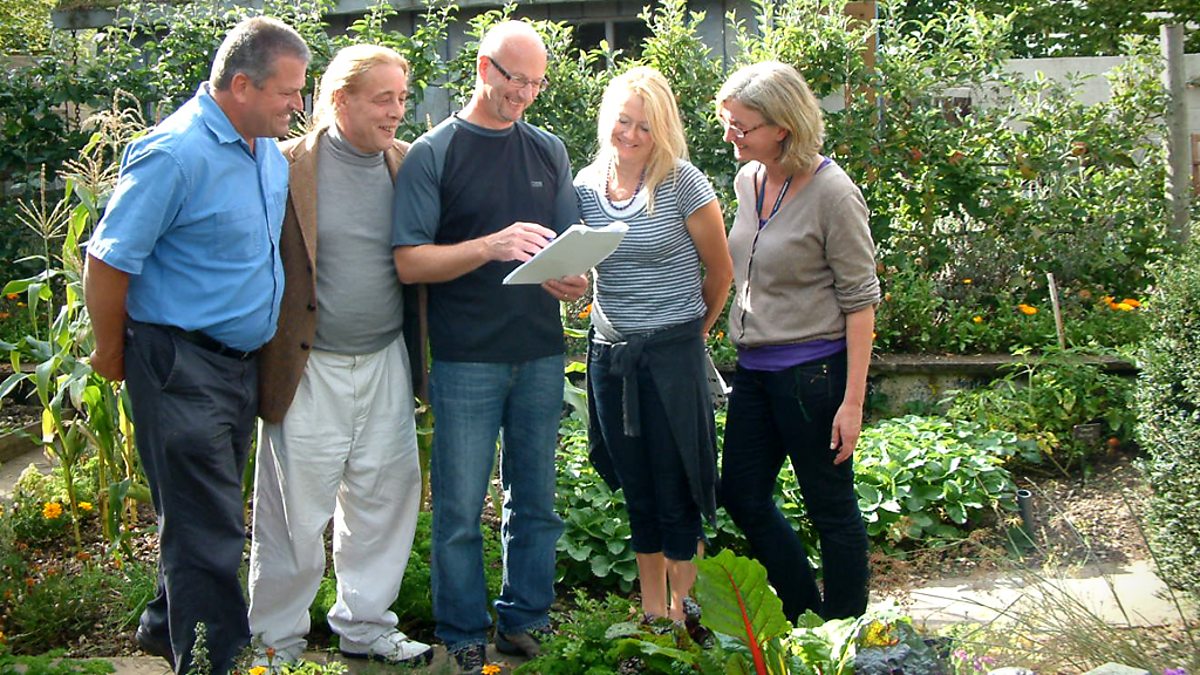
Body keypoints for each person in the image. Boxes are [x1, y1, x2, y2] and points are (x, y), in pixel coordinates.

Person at [82, 16, 309, 675]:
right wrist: (110, 352)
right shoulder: (174, 154)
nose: (298, 104)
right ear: (241, 85)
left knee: (195, 513)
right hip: (179, 361)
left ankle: (162, 627)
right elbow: (108, 261)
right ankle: (217, 663)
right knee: (210, 528)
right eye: (288, 92)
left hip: (237, 367)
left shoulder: (262, 145)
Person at [390, 19, 586, 675]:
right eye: (516, 80)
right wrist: (489, 246)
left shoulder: (548, 149)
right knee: (457, 508)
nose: (526, 94)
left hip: (539, 351)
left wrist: (572, 278)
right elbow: (410, 262)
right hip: (466, 355)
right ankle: (463, 631)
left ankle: (525, 620)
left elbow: (564, 242)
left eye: (536, 83)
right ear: (483, 67)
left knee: (535, 501)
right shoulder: (433, 152)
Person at [245, 45, 431, 668]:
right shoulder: (285, 165)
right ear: (340, 99)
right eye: (384, 99)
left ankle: (366, 623)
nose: (397, 112)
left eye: (402, 98)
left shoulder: (409, 165)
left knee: (386, 494)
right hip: (309, 365)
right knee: (293, 509)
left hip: (385, 359)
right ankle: (276, 639)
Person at [714, 61, 880, 622]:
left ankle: (846, 634)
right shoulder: (748, 181)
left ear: (782, 127)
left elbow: (861, 301)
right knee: (739, 492)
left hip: (814, 376)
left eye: (743, 126)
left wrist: (852, 403)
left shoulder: (833, 192)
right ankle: (805, 611)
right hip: (755, 371)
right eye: (729, 123)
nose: (732, 134)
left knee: (830, 508)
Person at [575, 66, 732, 623]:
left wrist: (692, 336)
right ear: (607, 120)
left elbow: (720, 272)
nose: (632, 134)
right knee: (638, 490)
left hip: (672, 357)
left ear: (662, 128)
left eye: (645, 125)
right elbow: (580, 270)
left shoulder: (683, 182)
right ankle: (652, 617)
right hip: (610, 358)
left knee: (678, 488)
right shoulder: (585, 186)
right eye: (623, 121)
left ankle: (688, 617)